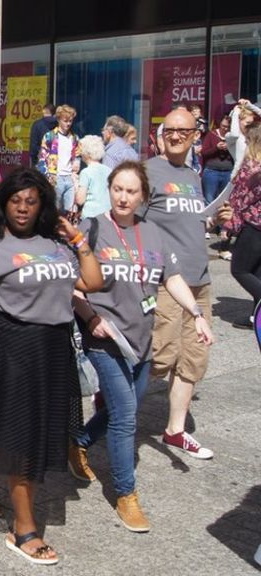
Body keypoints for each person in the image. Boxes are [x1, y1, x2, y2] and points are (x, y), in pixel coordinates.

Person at [0, 167, 102, 566]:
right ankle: (24, 530)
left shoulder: (56, 245)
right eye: (15, 201)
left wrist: (76, 239)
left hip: (54, 351)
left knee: (28, 432)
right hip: (11, 348)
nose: (22, 208)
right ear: (4, 204)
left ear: (43, 207)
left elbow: (92, 283)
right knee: (26, 442)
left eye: (31, 201)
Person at [69, 161, 214, 533]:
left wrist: (196, 312)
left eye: (131, 191)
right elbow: (68, 284)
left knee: (125, 406)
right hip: (105, 338)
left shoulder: (153, 233)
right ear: (109, 188)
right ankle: (125, 494)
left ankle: (79, 441)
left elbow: (174, 277)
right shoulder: (92, 227)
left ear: (143, 196)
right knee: (125, 416)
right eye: (118, 188)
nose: (123, 196)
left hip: (141, 342)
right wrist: (90, 318)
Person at [145, 109, 232, 460]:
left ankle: (175, 431)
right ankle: (111, 394)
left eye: (184, 130)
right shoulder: (148, 172)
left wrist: (214, 218)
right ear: (161, 134)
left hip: (200, 279)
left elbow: (189, 220)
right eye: (170, 130)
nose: (177, 135)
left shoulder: (194, 176)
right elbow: (130, 224)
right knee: (160, 356)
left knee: (193, 360)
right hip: (166, 281)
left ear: (196, 135)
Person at [226, 127, 261, 328]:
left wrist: (230, 225)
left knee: (239, 269)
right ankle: (255, 317)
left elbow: (240, 198)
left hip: (254, 224)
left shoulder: (252, 167)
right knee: (257, 272)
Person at [37, 104, 81, 214]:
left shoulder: (74, 138)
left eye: (70, 121)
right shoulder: (49, 136)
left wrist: (77, 163)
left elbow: (78, 154)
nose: (68, 123)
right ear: (58, 119)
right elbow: (42, 159)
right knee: (53, 211)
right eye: (65, 120)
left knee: (70, 212)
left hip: (69, 178)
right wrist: (47, 178)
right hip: (55, 177)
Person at [74, 135, 111, 219]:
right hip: (107, 215)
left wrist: (75, 187)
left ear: (86, 153)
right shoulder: (109, 170)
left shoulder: (86, 172)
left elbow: (80, 200)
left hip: (90, 216)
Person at [201, 115, 234, 205]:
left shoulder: (232, 137)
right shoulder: (211, 135)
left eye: (227, 127)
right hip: (212, 172)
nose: (225, 129)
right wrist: (216, 148)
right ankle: (208, 218)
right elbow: (204, 153)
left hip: (227, 172)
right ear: (220, 124)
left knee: (225, 200)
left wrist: (230, 148)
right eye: (223, 126)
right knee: (209, 199)